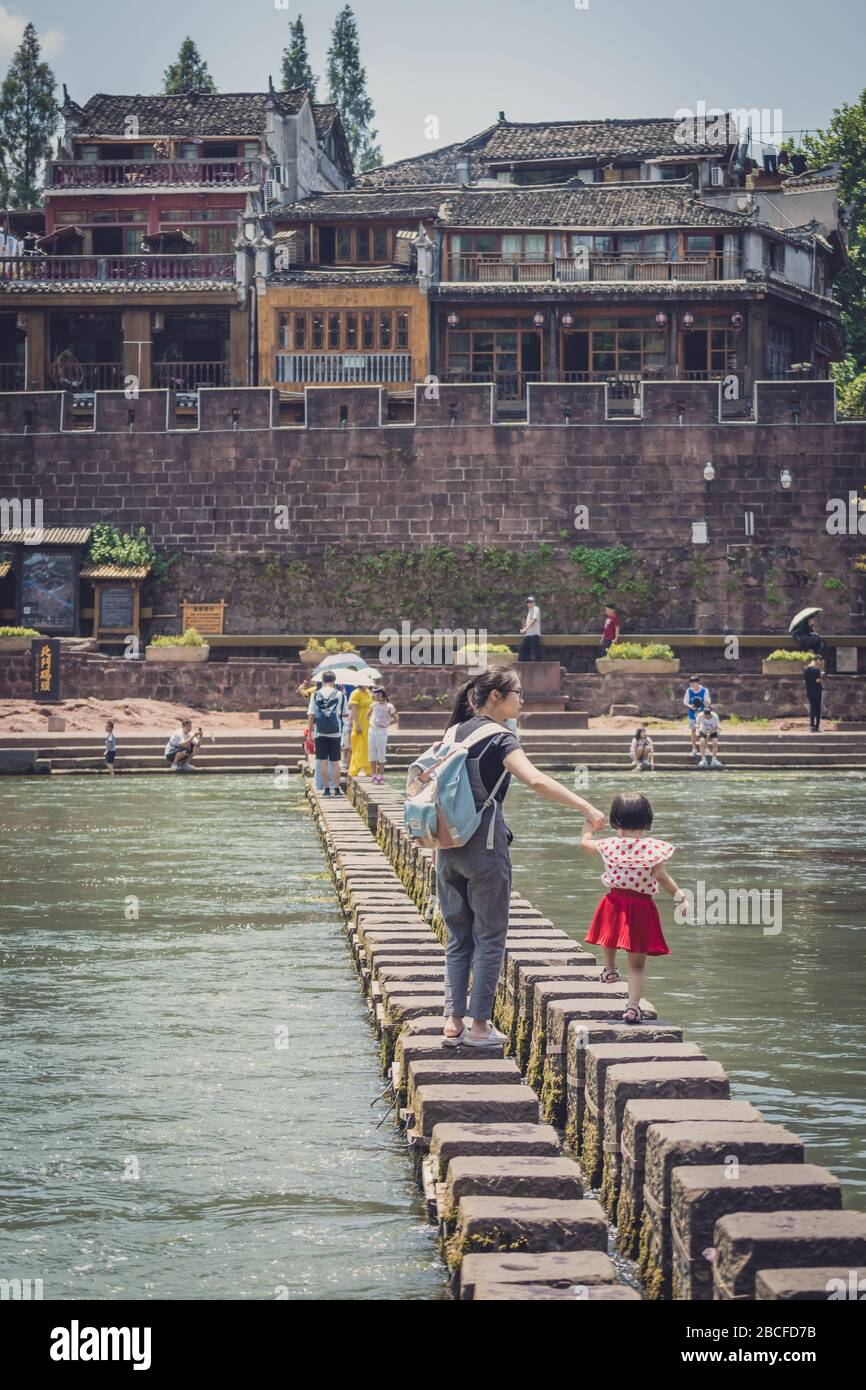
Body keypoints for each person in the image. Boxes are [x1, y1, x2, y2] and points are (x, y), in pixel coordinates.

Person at [440, 667, 605, 1047]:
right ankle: (480, 1026)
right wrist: (586, 807)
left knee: (458, 936)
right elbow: (536, 780)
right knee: (490, 936)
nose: (521, 699)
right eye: (517, 692)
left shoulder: (453, 732)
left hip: (446, 846)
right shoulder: (500, 738)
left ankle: (453, 1021)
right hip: (484, 847)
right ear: (495, 697)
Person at [580, 792, 686, 1023]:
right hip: (641, 906)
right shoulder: (653, 849)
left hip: (613, 902)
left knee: (610, 937)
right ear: (647, 820)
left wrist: (588, 824)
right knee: (637, 965)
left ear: (614, 820)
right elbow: (662, 877)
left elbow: (584, 843)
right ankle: (633, 1007)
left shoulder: (609, 845)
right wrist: (679, 895)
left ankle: (609, 968)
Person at [308, 672, 346, 796]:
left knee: (323, 761)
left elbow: (311, 715)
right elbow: (345, 714)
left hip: (320, 732)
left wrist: (310, 732)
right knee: (335, 762)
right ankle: (336, 788)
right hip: (335, 733)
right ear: (334, 681)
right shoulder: (340, 695)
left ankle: (326, 789)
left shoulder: (315, 694)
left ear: (322, 681)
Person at [368, 686, 397, 784]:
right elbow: (367, 716)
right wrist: (371, 723)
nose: (373, 696)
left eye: (375, 694)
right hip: (372, 730)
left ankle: (381, 776)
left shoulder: (389, 706)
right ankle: (374, 775)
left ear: (381, 695)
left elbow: (396, 719)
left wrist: (387, 724)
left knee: (381, 753)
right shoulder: (373, 705)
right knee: (372, 752)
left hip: (382, 731)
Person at [348, 682, 373, 778]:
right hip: (359, 723)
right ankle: (360, 768)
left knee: (368, 746)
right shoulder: (355, 693)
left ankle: (368, 768)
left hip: (369, 724)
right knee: (359, 746)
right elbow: (353, 710)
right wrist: (357, 724)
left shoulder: (369, 692)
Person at [683, 675, 710, 758]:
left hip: (702, 714)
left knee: (704, 731)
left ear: (698, 683)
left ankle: (706, 748)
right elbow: (685, 702)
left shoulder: (704, 690)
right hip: (692, 713)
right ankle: (694, 749)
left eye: (694, 683)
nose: (692, 685)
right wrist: (690, 706)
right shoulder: (689, 691)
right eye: (691, 684)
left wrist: (702, 701)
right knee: (693, 731)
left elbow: (707, 703)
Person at [696, 702, 722, 769]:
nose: (707, 716)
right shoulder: (700, 715)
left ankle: (714, 760)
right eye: (705, 715)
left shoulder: (715, 717)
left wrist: (710, 731)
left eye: (708, 715)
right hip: (703, 730)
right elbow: (698, 725)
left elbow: (717, 726)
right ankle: (703, 759)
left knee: (715, 743)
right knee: (702, 742)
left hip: (713, 730)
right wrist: (699, 729)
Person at [518, 595, 542, 662]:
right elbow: (530, 621)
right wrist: (524, 625)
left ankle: (538, 666)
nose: (529, 603)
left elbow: (534, 620)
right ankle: (522, 664)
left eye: (531, 602)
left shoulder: (536, 609)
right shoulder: (529, 610)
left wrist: (525, 628)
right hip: (528, 634)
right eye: (528, 602)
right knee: (523, 649)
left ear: (534, 602)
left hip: (534, 634)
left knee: (536, 651)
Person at [804, 656, 824, 732]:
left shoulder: (805, 669)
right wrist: (821, 676)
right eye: (820, 661)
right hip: (817, 691)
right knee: (818, 709)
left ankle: (811, 726)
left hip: (809, 691)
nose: (819, 663)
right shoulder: (816, 669)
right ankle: (817, 727)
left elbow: (805, 680)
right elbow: (818, 680)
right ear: (817, 660)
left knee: (812, 709)